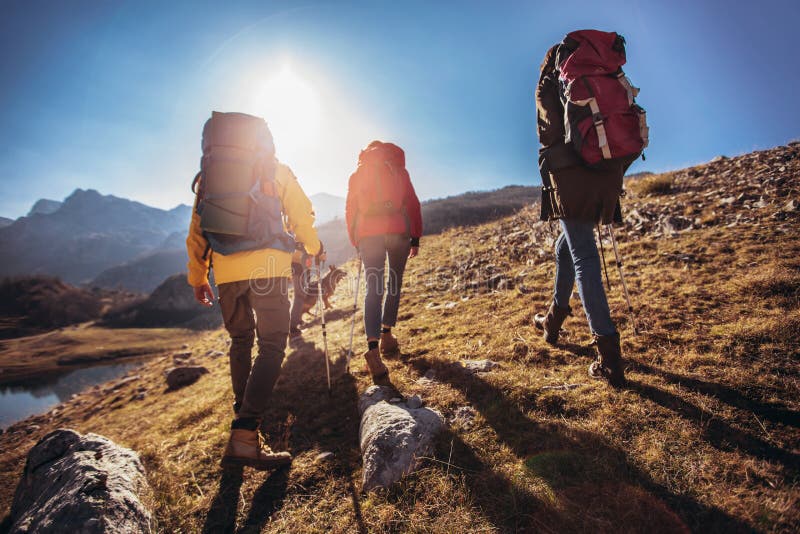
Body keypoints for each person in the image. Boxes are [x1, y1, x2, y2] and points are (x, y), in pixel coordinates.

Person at [187, 112, 323, 469]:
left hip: (226, 272)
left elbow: (197, 232)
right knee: (274, 344)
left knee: (241, 342)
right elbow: (301, 216)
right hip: (268, 269)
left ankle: (243, 433)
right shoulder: (276, 170)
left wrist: (199, 277)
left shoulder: (209, 178)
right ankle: (245, 433)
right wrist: (312, 248)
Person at [534, 44, 627, 387]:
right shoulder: (597, 78)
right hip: (605, 171)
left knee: (584, 255)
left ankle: (609, 358)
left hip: (572, 175)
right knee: (567, 248)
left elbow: (548, 133)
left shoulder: (549, 84)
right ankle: (553, 321)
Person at [345, 141, 422, 380]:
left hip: (369, 236)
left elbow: (350, 209)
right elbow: (412, 202)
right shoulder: (399, 171)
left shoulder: (358, 174)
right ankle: (387, 335)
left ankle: (372, 351)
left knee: (373, 289)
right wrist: (415, 236)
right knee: (394, 284)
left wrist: (356, 240)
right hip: (398, 232)